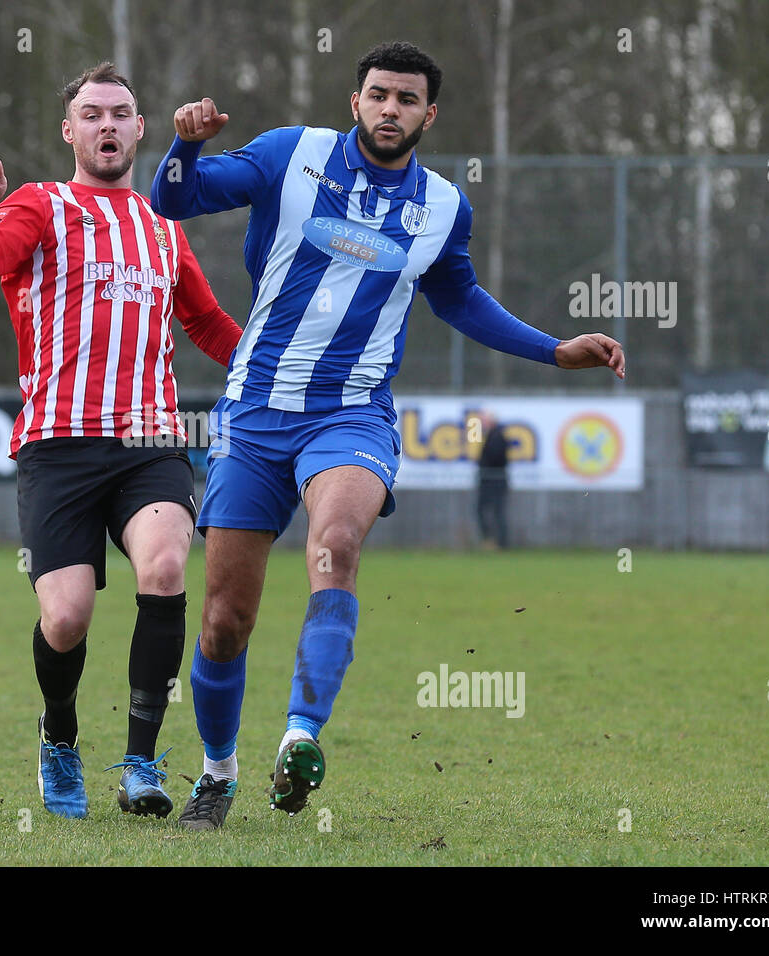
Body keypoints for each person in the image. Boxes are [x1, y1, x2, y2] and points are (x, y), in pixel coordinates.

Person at [151, 40, 625, 830]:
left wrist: (553, 348)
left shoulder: (442, 206)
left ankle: (301, 736)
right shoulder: (288, 156)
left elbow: (461, 300)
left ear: (428, 115)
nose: (390, 109)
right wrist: (186, 142)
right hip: (256, 411)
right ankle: (218, 772)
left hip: (353, 413)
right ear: (355, 101)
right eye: (378, 94)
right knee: (224, 618)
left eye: (407, 100)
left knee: (336, 543)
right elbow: (176, 200)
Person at [0, 62, 242, 820]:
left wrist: (278, 369)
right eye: (92, 113)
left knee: (167, 567)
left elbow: (205, 323)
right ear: (68, 130)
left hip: (150, 441)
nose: (108, 124)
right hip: (58, 445)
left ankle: (140, 762)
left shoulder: (164, 226)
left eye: (122, 113)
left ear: (140, 129)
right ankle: (59, 736)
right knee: (66, 617)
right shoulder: (39, 205)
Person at [475, 411, 509, 549]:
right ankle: (491, 541)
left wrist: (484, 465)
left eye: (483, 421)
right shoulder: (491, 435)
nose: (481, 424)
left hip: (494, 482)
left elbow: (496, 458)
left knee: (496, 513)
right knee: (489, 512)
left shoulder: (497, 437)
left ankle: (498, 543)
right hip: (489, 481)